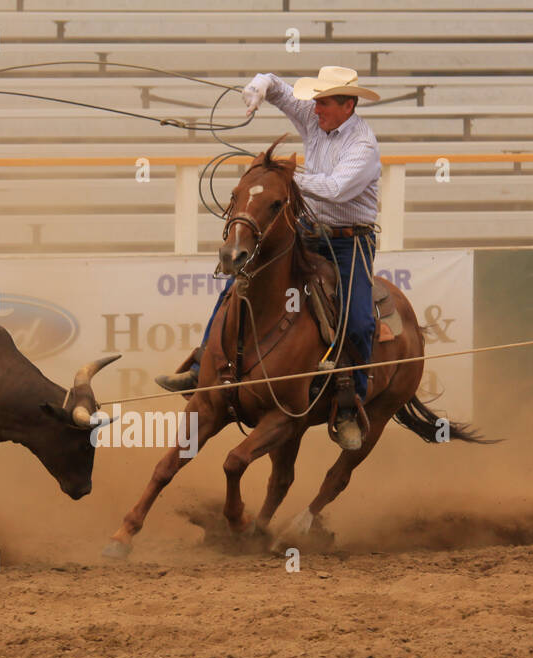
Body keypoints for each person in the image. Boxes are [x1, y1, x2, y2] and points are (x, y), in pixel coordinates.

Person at [156, 65, 382, 450]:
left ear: (348, 105)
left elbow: (336, 189)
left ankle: (349, 402)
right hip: (309, 231)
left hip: (350, 242)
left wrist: (281, 179)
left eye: (324, 102)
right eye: (316, 101)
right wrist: (259, 86)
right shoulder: (316, 120)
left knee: (359, 321)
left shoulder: (362, 146)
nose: (315, 109)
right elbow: (281, 91)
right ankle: (200, 369)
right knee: (239, 281)